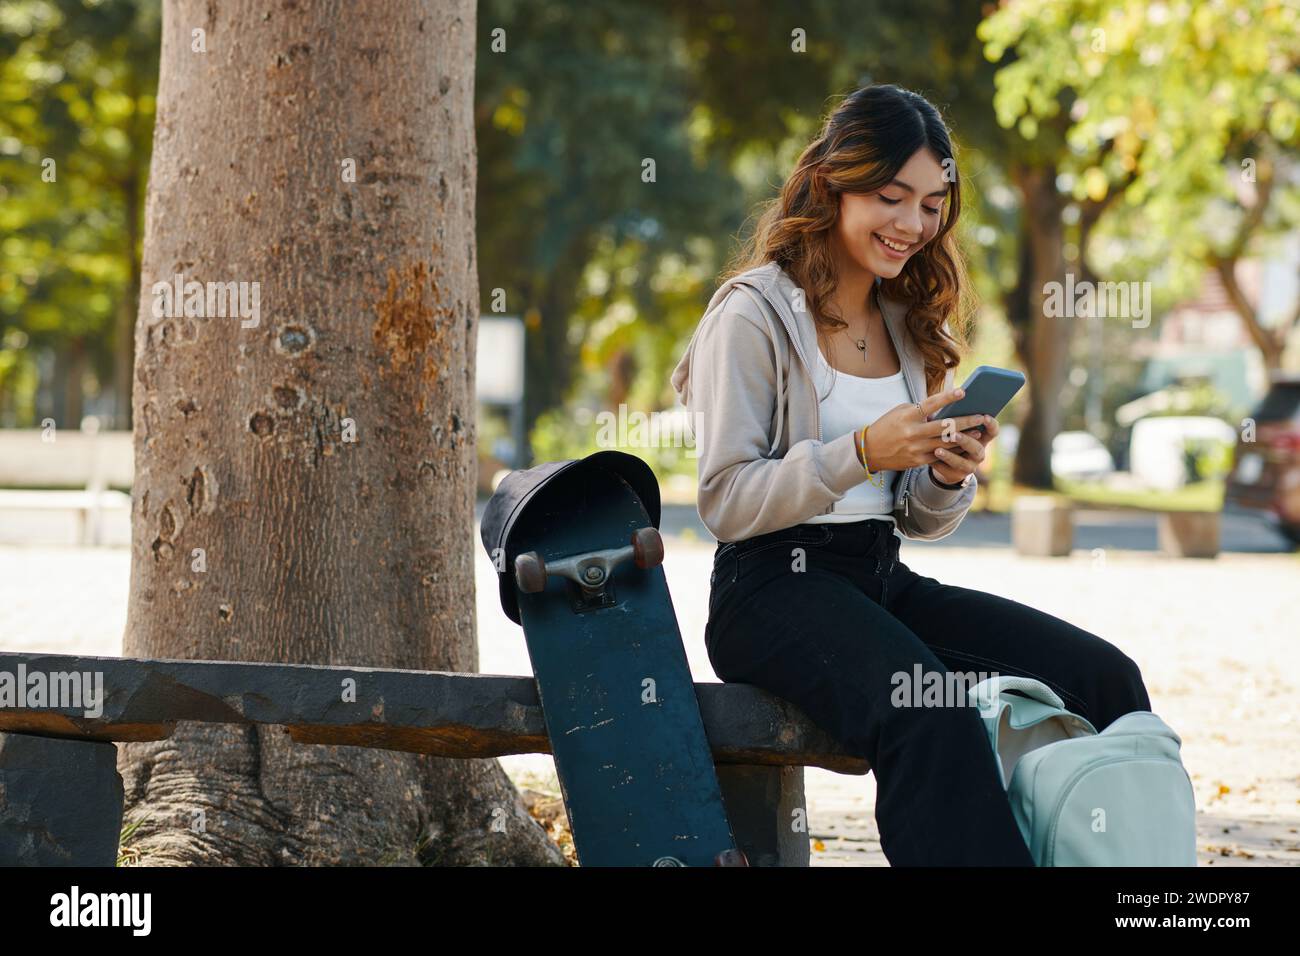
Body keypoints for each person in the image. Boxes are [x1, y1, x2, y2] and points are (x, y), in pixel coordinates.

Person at [669, 84, 1151, 866]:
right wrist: (860, 451)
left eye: (931, 204)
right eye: (892, 198)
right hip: (770, 591)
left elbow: (915, 518)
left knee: (1102, 678)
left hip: (879, 580)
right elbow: (724, 501)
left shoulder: (908, 320)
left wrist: (946, 474)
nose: (913, 225)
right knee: (926, 709)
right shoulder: (752, 315)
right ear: (834, 184)